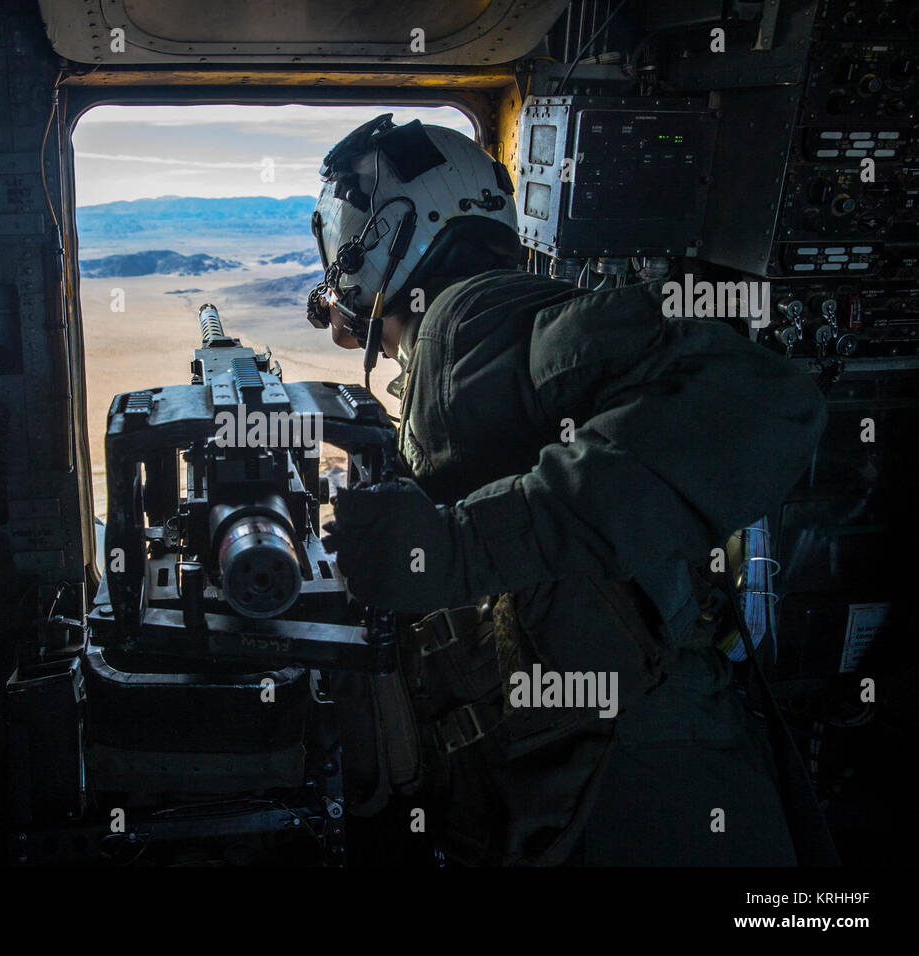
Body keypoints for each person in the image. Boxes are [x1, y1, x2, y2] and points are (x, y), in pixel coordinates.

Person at [308, 114, 829, 865]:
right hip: (588, 769)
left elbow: (765, 393)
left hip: (639, 790)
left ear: (378, 238)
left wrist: (455, 548)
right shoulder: (459, 336)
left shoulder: (480, 317)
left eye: (338, 250)